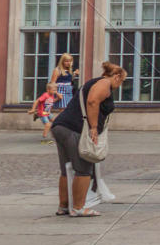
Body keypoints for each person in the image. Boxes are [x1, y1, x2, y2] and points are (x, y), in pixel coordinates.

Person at [49, 62, 127, 217]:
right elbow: (92, 101)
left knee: (66, 168)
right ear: (117, 77)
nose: (120, 85)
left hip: (61, 126)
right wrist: (93, 127)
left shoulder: (94, 82)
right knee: (84, 168)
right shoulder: (104, 83)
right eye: (122, 81)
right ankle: (79, 207)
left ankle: (63, 206)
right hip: (75, 129)